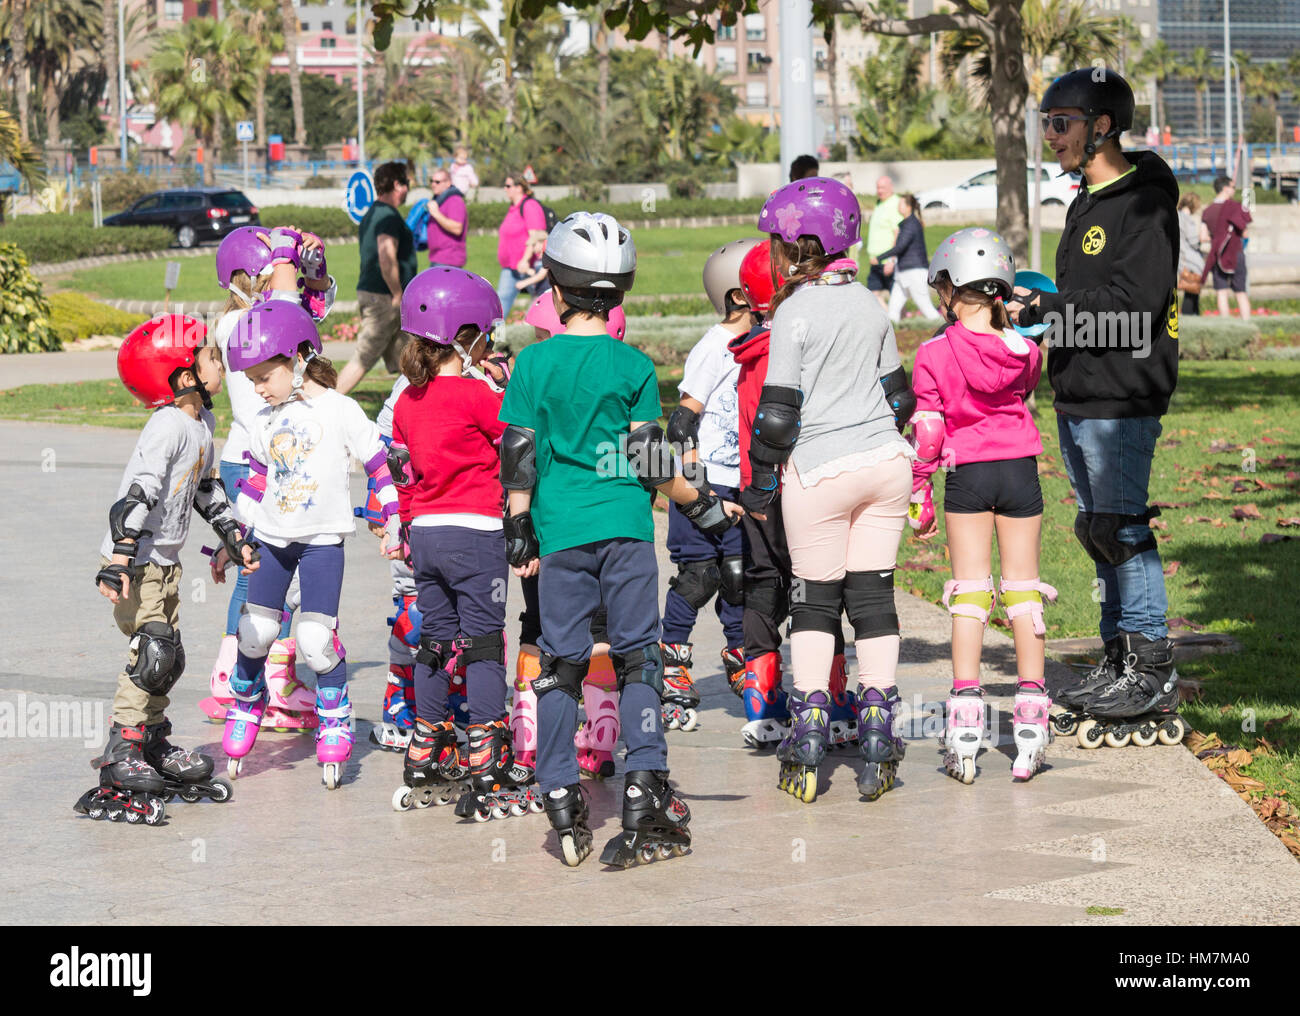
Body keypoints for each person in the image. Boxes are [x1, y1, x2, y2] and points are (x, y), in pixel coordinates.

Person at [498, 211, 741, 867]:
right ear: (621, 293)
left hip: (562, 536)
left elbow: (518, 451)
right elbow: (647, 459)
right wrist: (708, 510)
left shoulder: (531, 364)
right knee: (639, 661)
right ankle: (642, 787)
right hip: (628, 534)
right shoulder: (631, 365)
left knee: (560, 667)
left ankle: (558, 797)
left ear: (553, 286)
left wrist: (520, 527)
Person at [1008, 68, 1184, 750]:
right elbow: (1086, 302)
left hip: (1124, 389)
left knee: (1122, 524)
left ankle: (1152, 668)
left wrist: (1054, 312)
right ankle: (1120, 657)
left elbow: (1136, 310)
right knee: (1096, 526)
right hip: (1081, 387)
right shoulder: (1086, 200)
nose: (1050, 135)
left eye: (1061, 122)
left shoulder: (1144, 204)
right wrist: (1039, 313)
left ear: (1101, 125)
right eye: (1045, 122)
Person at [740, 177, 915, 805]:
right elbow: (901, 396)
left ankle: (809, 734)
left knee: (815, 602)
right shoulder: (870, 303)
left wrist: (759, 485)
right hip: (885, 465)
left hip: (818, 470)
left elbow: (779, 411)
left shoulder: (793, 311)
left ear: (796, 245)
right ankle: (878, 731)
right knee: (872, 596)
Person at [78, 314, 258, 825]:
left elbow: (205, 490)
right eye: (211, 358)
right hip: (135, 563)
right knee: (151, 651)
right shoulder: (166, 426)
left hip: (166, 565)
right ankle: (122, 750)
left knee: (169, 658)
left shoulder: (202, 423)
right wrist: (119, 561)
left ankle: (152, 741)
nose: (220, 366)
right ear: (184, 376)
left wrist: (235, 537)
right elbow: (138, 493)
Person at [224, 301, 401, 789]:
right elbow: (258, 482)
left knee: (316, 641)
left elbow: (378, 463)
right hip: (274, 541)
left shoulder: (340, 409)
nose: (257, 388)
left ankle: (336, 713)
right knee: (255, 631)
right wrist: (234, 536)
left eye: (263, 376)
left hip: (323, 543)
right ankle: (246, 696)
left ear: (298, 358)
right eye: (251, 379)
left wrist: (391, 516)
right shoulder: (264, 419)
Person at [385, 267, 540, 821]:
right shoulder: (478, 396)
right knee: (480, 644)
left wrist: (405, 528)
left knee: (434, 641)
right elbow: (521, 447)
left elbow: (402, 474)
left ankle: (425, 746)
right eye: (485, 336)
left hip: (424, 536)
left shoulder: (406, 403)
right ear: (466, 338)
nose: (490, 344)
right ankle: (486, 752)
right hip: (476, 536)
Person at [911, 228, 1056, 784]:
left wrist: (919, 489)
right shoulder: (1025, 349)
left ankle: (966, 728)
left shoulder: (933, 352)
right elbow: (1024, 386)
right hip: (1020, 471)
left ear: (949, 287)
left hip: (966, 475)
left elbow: (928, 431)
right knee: (1023, 590)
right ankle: (1030, 728)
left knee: (970, 593)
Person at [201, 225, 338, 734]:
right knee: (258, 570)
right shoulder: (239, 323)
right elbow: (283, 305)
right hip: (251, 461)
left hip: (268, 458)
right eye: (271, 272)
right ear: (247, 275)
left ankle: (254, 673)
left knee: (263, 569)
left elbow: (301, 321)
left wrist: (312, 275)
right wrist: (285, 254)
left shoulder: (255, 318)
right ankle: (245, 677)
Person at [730, 240, 857, 753]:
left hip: (756, 489)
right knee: (822, 588)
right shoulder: (800, 346)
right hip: (806, 481)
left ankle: (763, 705)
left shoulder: (745, 355)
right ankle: (834, 699)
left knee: (763, 585)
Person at [510, 292, 629, 782]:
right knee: (599, 635)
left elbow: (520, 465)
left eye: (542, 339)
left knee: (541, 630)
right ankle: (602, 734)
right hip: (608, 540)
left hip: (550, 538)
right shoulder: (617, 396)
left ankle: (529, 736)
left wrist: (520, 531)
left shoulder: (541, 395)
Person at [656, 238, 758, 729]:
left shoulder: (766, 338)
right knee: (701, 577)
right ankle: (672, 659)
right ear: (738, 295)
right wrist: (700, 497)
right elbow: (680, 425)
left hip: (741, 479)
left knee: (739, 575)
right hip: (703, 483)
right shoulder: (714, 346)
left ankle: (739, 655)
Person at [338, 161, 418, 395]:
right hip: (385, 298)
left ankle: (413, 409)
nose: (408, 189)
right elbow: (386, 256)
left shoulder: (372, 213)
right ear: (398, 185)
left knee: (411, 359)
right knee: (364, 357)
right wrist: (397, 293)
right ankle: (325, 406)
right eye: (407, 183)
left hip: (376, 294)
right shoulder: (388, 217)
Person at [874, 193, 941, 323]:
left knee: (926, 307)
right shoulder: (907, 224)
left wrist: (879, 258)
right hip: (903, 272)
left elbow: (900, 247)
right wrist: (891, 261)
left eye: (901, 204)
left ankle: (942, 331)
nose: (898, 206)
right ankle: (892, 334)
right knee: (893, 310)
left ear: (908, 207)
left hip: (914, 272)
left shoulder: (911, 224)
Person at [496, 173, 549, 318]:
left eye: (508, 186)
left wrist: (525, 259)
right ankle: (495, 338)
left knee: (539, 305)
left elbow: (536, 236)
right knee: (500, 304)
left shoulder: (529, 205)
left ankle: (542, 335)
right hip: (511, 267)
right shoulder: (513, 208)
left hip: (527, 266)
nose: (505, 189)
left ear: (519, 187)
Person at [1200, 175, 1253, 321]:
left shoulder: (1207, 211)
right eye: (1233, 187)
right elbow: (1245, 232)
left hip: (1217, 254)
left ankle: (1226, 325)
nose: (1234, 190)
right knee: (1240, 292)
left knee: (1221, 292)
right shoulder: (1235, 207)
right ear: (1225, 188)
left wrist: (1218, 239)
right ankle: (1246, 324)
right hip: (1235, 253)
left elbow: (1203, 237)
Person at [865, 175, 903, 309]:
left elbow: (898, 233)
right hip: (875, 260)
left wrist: (892, 260)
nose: (879, 190)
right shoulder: (880, 203)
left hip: (887, 260)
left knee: (897, 295)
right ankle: (890, 318)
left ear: (891, 187)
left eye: (883, 187)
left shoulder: (895, 203)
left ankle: (896, 319)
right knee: (873, 293)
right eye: (878, 187)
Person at [425, 167, 468, 268]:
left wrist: (436, 213)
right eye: (431, 181)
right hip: (437, 257)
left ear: (448, 183)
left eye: (437, 182)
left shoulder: (455, 200)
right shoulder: (440, 200)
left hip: (449, 259)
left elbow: (457, 228)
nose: (433, 184)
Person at [1176, 192, 1207, 317]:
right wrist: (1203, 238)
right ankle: (1191, 316)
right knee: (1192, 290)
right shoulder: (1187, 219)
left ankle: (1192, 316)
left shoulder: (1176, 215)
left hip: (1181, 257)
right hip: (1190, 258)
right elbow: (1193, 241)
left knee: (1190, 289)